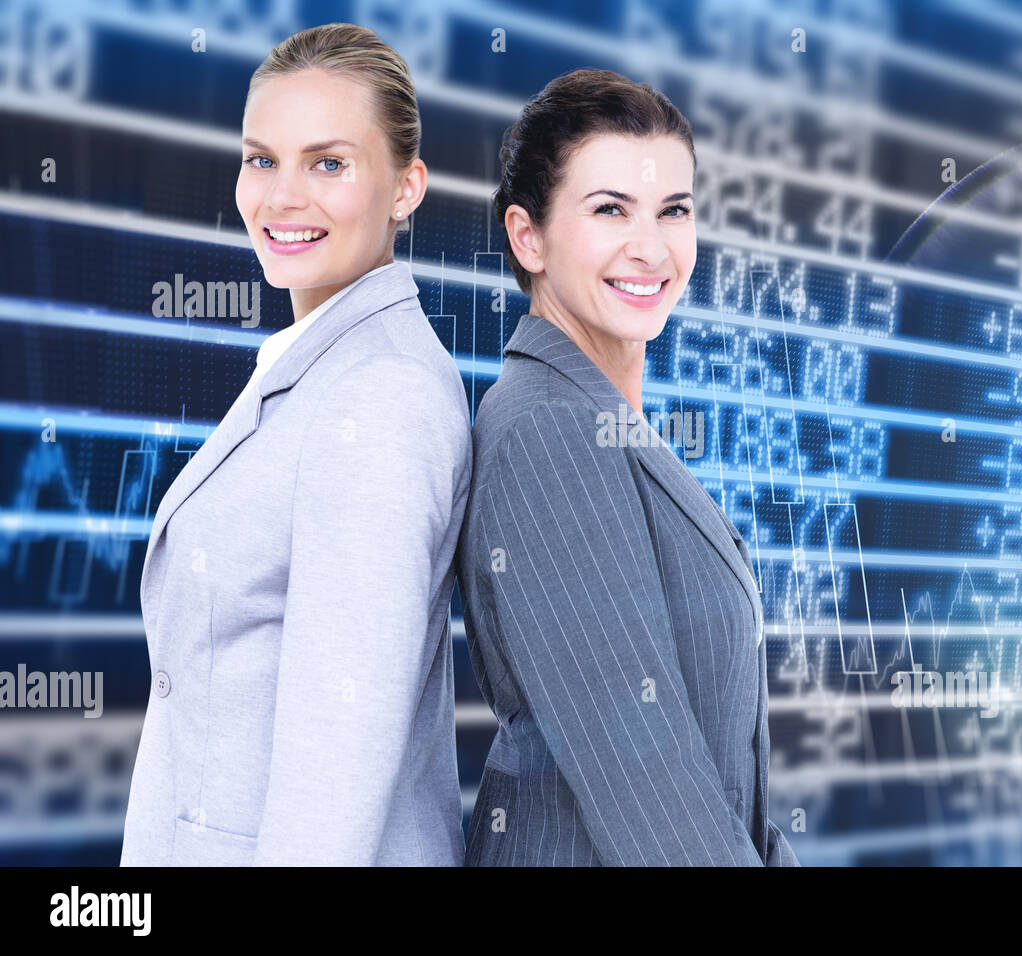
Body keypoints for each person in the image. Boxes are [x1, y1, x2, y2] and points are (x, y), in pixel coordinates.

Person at [120, 22, 471, 865]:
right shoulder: (321, 365)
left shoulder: (377, 399)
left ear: (406, 187)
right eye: (261, 159)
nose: (281, 198)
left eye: (330, 163)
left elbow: (336, 766)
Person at [455, 68, 799, 866]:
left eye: (673, 211)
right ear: (526, 236)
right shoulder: (551, 434)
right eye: (610, 210)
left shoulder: (600, 421)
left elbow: (714, 785)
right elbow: (655, 802)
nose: (651, 247)